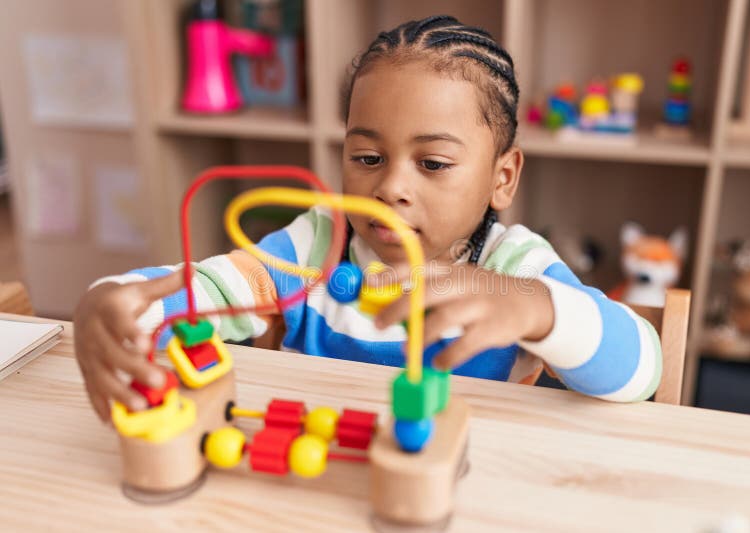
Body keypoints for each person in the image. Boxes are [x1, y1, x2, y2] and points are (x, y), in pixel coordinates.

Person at [74, 16, 662, 421]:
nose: (390, 187)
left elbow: (642, 373)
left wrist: (538, 308)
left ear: (502, 177)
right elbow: (205, 291)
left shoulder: (512, 265)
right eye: (367, 158)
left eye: (432, 162)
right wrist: (116, 301)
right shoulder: (315, 244)